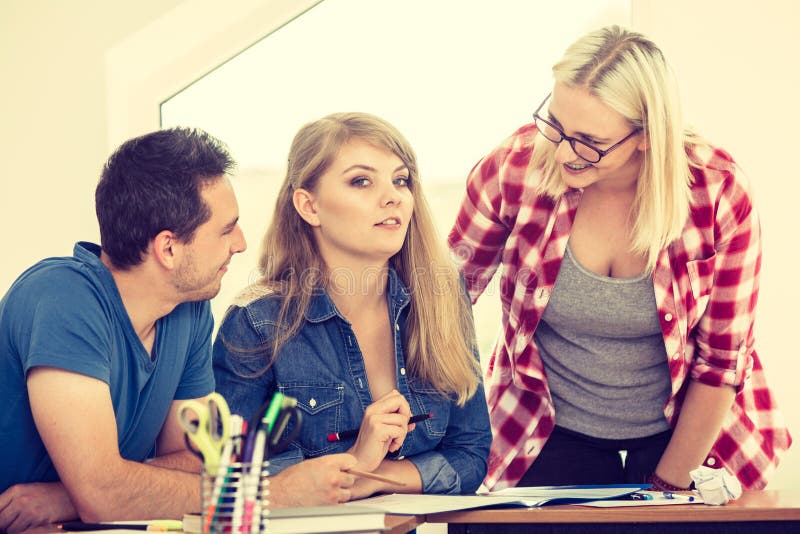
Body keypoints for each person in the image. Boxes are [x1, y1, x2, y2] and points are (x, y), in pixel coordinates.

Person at [448, 25, 791, 492]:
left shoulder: (719, 191)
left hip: (688, 430)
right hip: (544, 426)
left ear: (646, 136)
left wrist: (669, 485)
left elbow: (722, 364)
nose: (562, 151)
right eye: (556, 124)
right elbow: (443, 303)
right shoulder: (513, 167)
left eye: (587, 140)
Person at [0, 127, 358, 533]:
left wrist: (72, 495)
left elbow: (197, 461)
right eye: (226, 229)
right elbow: (104, 496)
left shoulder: (186, 311)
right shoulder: (63, 298)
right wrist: (271, 494)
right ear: (168, 248)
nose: (240, 244)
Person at [213, 112, 491, 499]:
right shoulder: (258, 323)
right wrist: (358, 459)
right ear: (309, 207)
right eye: (361, 181)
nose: (393, 196)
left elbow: (470, 453)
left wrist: (361, 481)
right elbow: (235, 479)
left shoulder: (443, 296)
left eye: (400, 180)